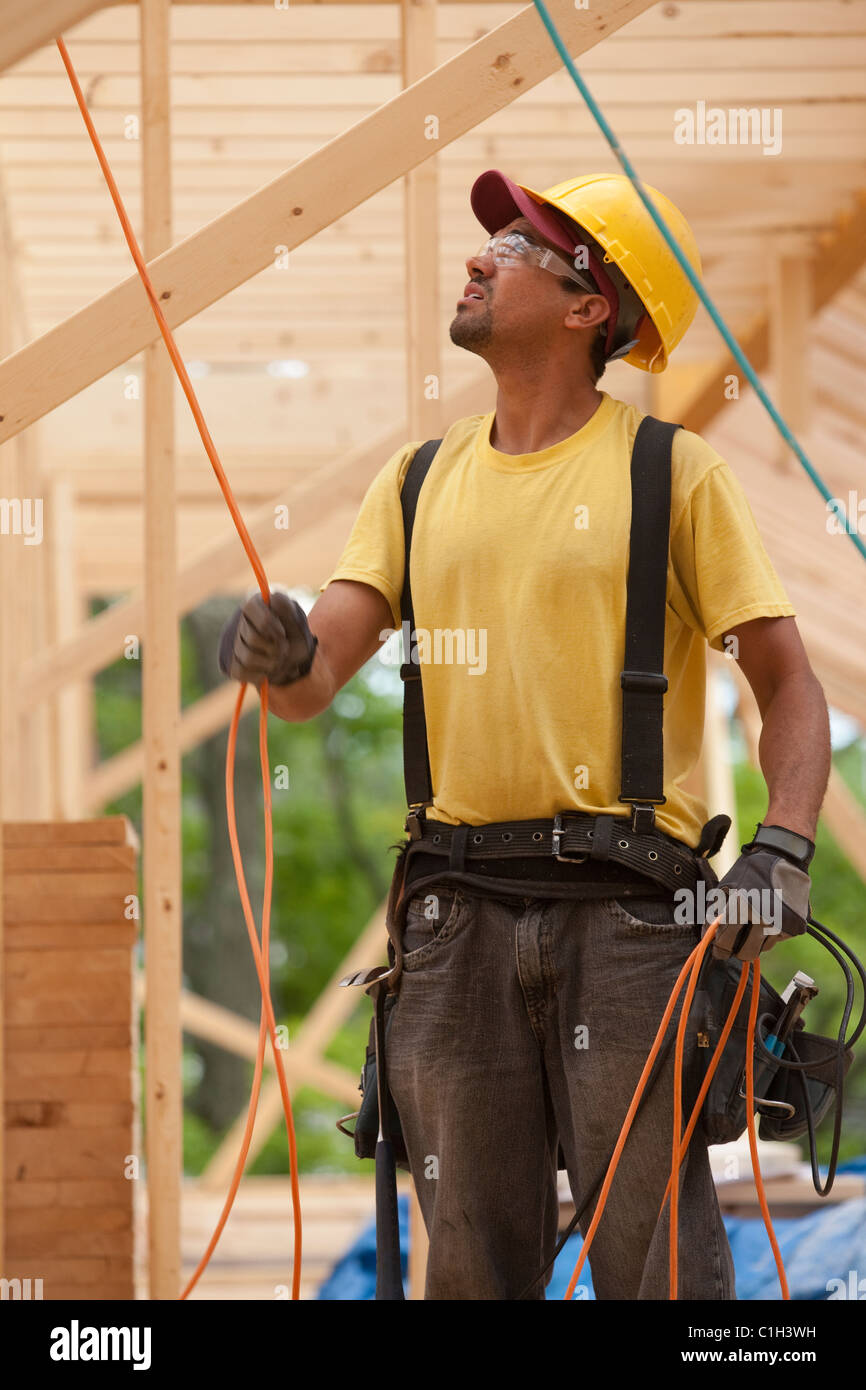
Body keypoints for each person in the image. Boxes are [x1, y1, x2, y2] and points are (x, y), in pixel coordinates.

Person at [218, 170, 829, 1300]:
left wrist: (780, 851)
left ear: (589, 304)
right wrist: (277, 656)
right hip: (454, 923)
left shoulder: (669, 475)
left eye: (510, 243)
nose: (476, 257)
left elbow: (789, 686)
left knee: (660, 1274)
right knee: (469, 1269)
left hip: (636, 918)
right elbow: (312, 684)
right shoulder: (414, 483)